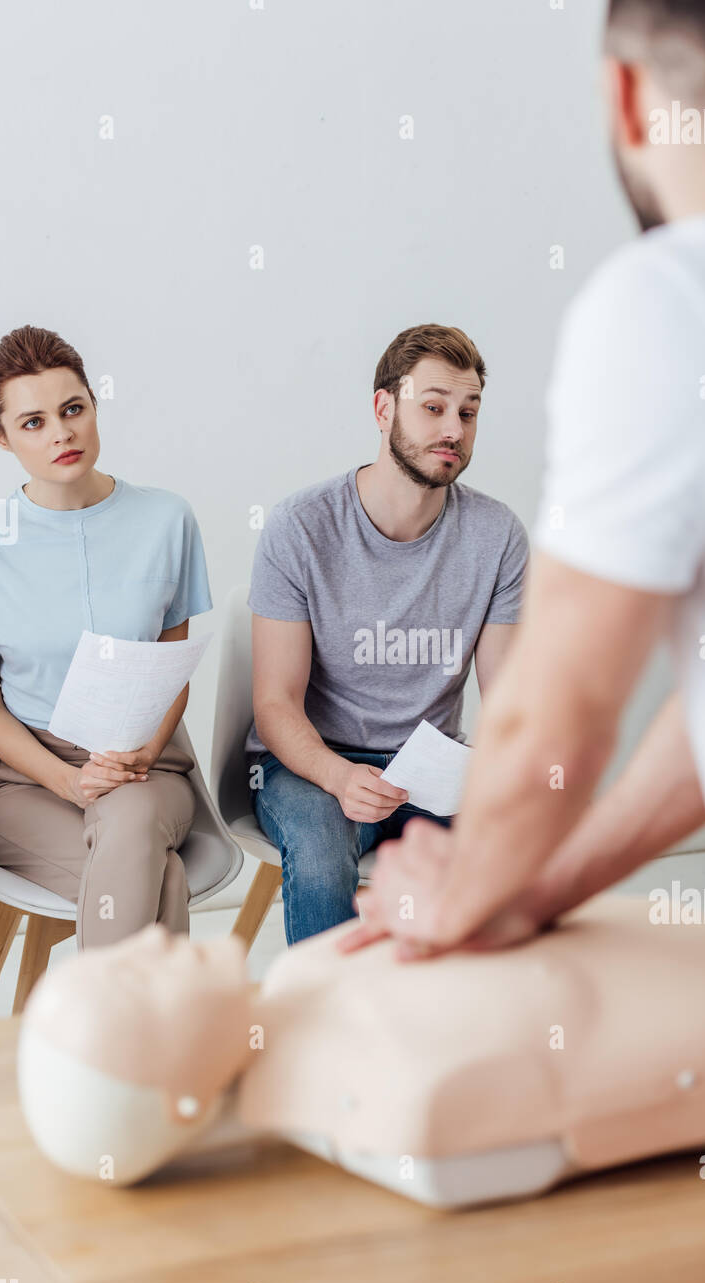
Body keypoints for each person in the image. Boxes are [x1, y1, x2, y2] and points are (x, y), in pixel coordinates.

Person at [342, 1, 705, 1283]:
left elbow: (550, 714)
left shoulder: (677, 298)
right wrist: (538, 880)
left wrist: (456, 892)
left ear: (625, 101)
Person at [246, 323, 529, 944]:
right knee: (321, 857)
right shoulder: (300, 527)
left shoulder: (497, 536)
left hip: (429, 770)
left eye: (468, 411)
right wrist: (340, 776)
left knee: (513, 852)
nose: (453, 429)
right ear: (383, 408)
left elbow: (508, 701)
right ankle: (327, 1029)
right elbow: (273, 704)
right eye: (433, 407)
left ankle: (448, 1027)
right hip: (312, 764)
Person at [0, 324, 212, 947]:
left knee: (131, 830)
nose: (62, 434)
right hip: (19, 776)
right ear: (0, 436)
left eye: (73, 409)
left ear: (93, 406)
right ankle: (154, 1041)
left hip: (147, 764)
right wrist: (68, 782)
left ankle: (90, 1040)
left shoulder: (166, 519)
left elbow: (174, 670)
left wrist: (137, 753)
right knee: (157, 881)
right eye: (33, 422)